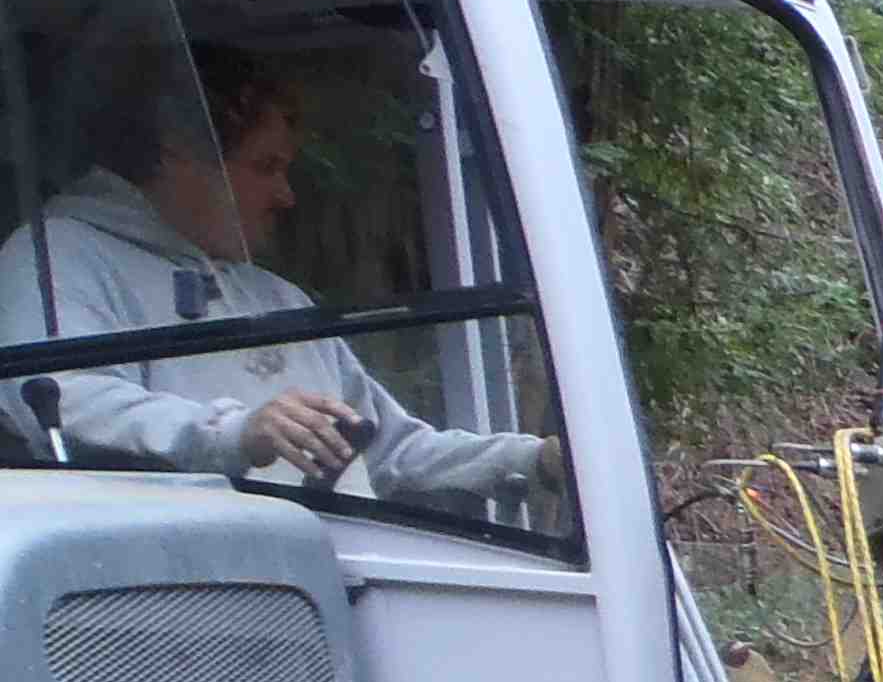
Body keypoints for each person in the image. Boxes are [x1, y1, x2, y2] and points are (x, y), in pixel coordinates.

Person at [0, 49, 550, 508]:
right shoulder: (59, 255)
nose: (286, 196)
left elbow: (389, 452)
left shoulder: (277, 297)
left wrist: (533, 460)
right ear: (179, 156)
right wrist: (239, 433)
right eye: (265, 167)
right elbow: (58, 402)